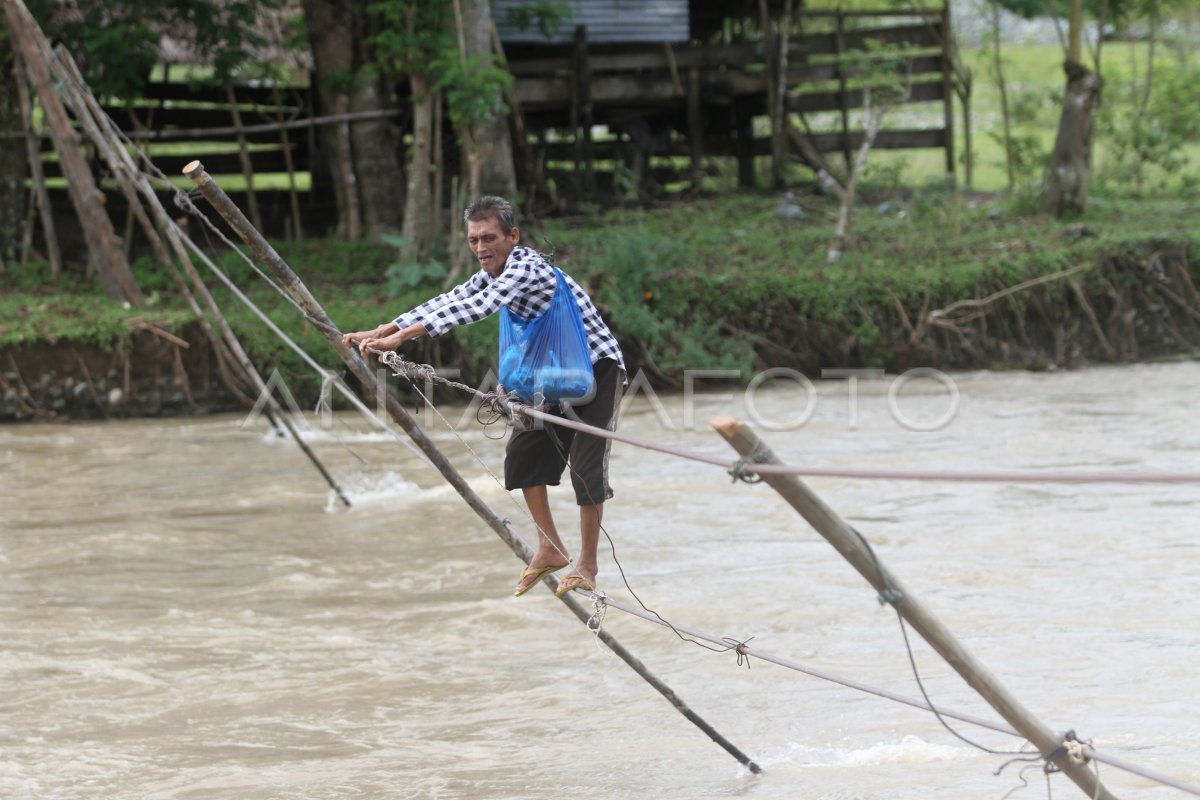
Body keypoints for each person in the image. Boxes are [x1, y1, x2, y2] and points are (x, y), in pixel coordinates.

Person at [342, 196, 626, 598]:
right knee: (523, 456)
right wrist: (385, 327)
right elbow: (453, 299)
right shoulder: (492, 271)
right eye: (473, 240)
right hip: (551, 373)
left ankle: (588, 565)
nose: (481, 248)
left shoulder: (524, 268)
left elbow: (479, 307)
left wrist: (404, 336)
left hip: (598, 367)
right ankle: (550, 547)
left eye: (489, 238)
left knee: (585, 467)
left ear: (513, 236)